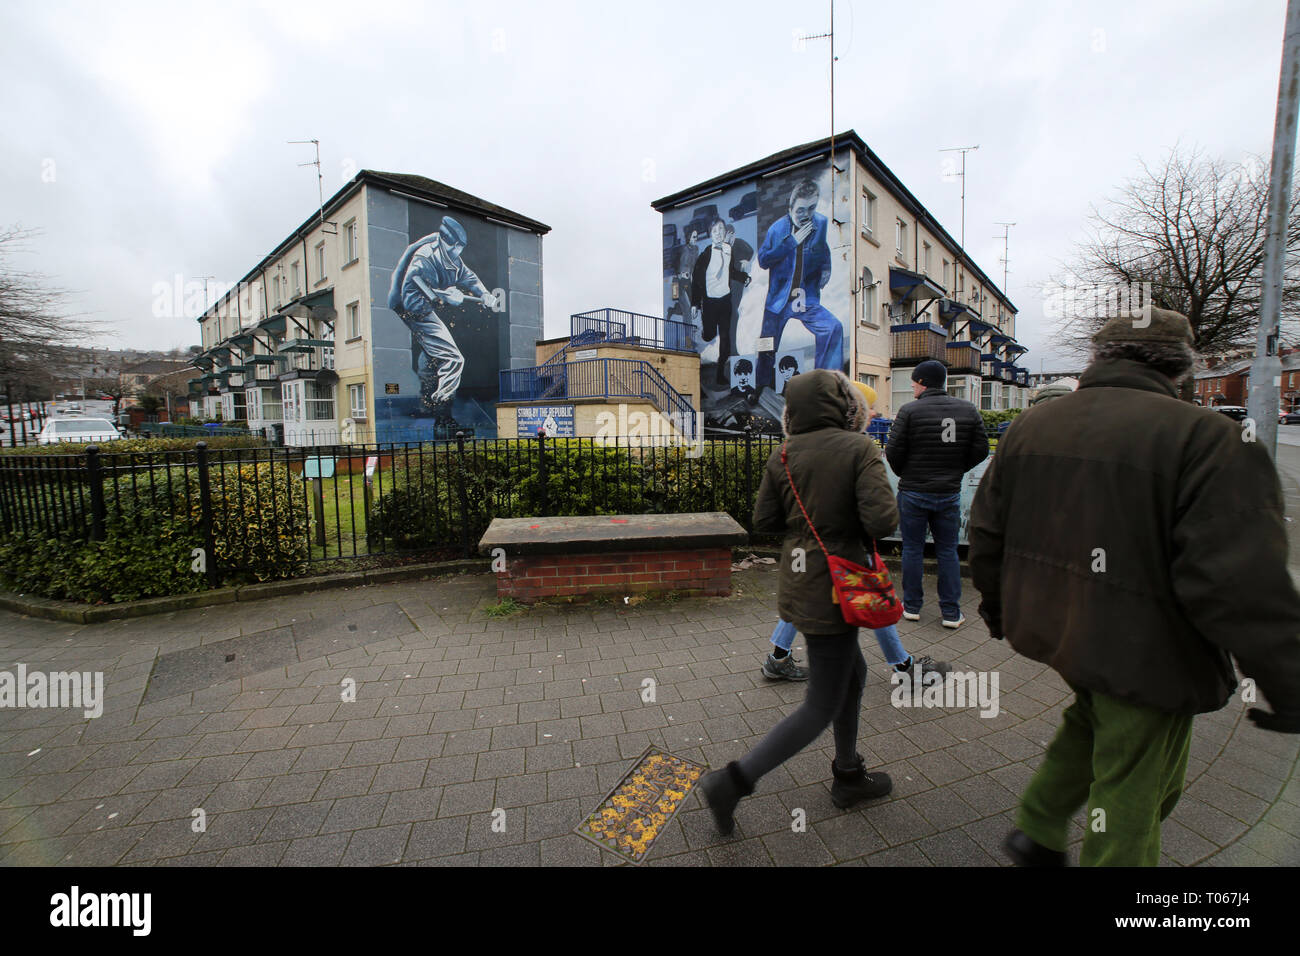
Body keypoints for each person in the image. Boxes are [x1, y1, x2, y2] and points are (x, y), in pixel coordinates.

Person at [969, 308, 1300, 866]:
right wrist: (1286, 680)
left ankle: (1039, 825)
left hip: (1062, 627)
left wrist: (1001, 610)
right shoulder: (1209, 438)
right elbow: (1242, 578)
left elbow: (987, 531)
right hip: (1148, 647)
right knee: (1136, 785)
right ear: (1180, 366)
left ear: (1099, 356)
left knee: (1093, 715)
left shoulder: (1034, 425)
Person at [700, 369, 898, 833]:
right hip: (839, 584)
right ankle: (732, 781)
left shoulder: (784, 453)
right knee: (821, 703)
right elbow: (882, 518)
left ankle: (848, 773)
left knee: (853, 674)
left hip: (800, 580)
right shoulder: (859, 448)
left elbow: (765, 518)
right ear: (847, 407)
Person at [763, 380, 951, 686]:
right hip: (847, 542)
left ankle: (778, 658)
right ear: (853, 412)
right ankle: (904, 668)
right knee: (872, 597)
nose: (875, 412)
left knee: (804, 595)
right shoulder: (857, 450)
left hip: (809, 544)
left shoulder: (796, 448)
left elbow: (771, 514)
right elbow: (878, 514)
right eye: (868, 406)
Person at [885, 359, 988, 628]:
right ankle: (951, 612)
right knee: (947, 551)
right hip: (949, 492)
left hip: (914, 492)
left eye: (914, 382)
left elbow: (893, 452)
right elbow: (981, 450)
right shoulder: (968, 410)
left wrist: (908, 473)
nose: (912, 387)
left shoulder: (909, 412)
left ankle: (912, 606)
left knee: (912, 549)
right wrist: (956, 470)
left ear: (923, 382)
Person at [387, 216, 496, 413]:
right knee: (454, 358)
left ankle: (430, 395)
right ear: (453, 244)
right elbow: (416, 291)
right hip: (413, 308)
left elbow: (469, 277)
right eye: (460, 247)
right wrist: (444, 297)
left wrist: (485, 294)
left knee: (432, 354)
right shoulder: (425, 259)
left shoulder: (449, 256)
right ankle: (442, 400)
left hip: (424, 306)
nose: (460, 251)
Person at [754, 179, 843, 401]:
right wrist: (791, 242)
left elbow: (824, 251)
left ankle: (826, 387)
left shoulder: (820, 224)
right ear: (790, 208)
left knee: (833, 327)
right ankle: (758, 387)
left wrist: (825, 271)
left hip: (806, 298)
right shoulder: (778, 228)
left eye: (811, 208)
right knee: (767, 346)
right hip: (779, 299)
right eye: (801, 210)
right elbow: (764, 260)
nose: (806, 214)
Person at [691, 218, 750, 386]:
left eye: (721, 230)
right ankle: (703, 333)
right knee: (710, 334)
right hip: (709, 302)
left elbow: (729, 271)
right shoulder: (705, 255)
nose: (718, 233)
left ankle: (720, 374)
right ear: (710, 234)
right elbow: (696, 279)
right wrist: (695, 303)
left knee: (725, 338)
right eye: (715, 231)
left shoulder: (728, 250)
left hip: (725, 300)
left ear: (725, 233)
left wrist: (743, 277)